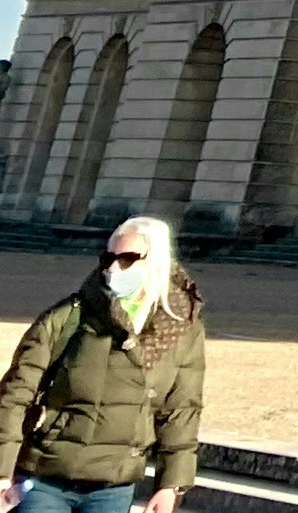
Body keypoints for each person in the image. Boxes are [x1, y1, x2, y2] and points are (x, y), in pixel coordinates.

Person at [2, 215, 203, 513]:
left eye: (127, 259)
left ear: (156, 262)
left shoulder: (180, 329)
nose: (112, 268)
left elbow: (181, 410)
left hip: (113, 487)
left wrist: (171, 485)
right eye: (108, 257)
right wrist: (3, 471)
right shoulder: (68, 316)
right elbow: (16, 395)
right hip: (46, 477)